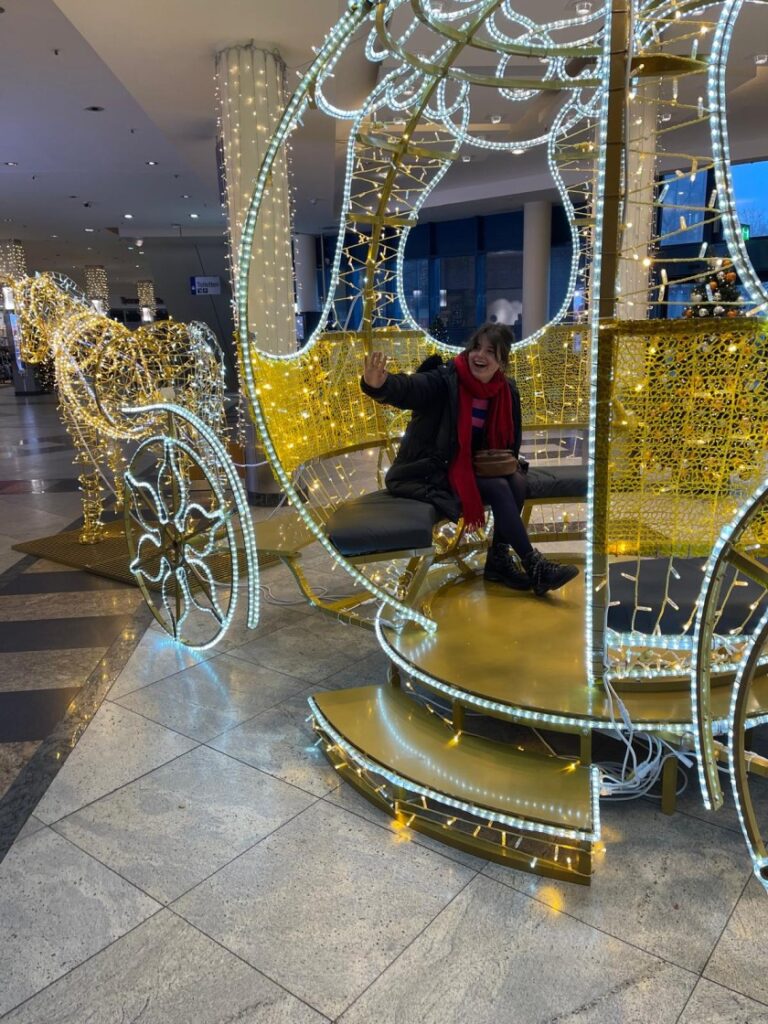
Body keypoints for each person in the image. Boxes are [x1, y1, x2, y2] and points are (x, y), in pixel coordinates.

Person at [361, 322, 579, 595]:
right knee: (501, 486)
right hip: (433, 470)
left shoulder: (506, 391)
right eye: (476, 347)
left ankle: (499, 561)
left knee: (516, 481)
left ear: (502, 361)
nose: (480, 355)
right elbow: (412, 388)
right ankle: (534, 564)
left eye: (490, 352)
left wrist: (505, 465)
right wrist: (380, 385)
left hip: (474, 468)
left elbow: (510, 443)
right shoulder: (445, 380)